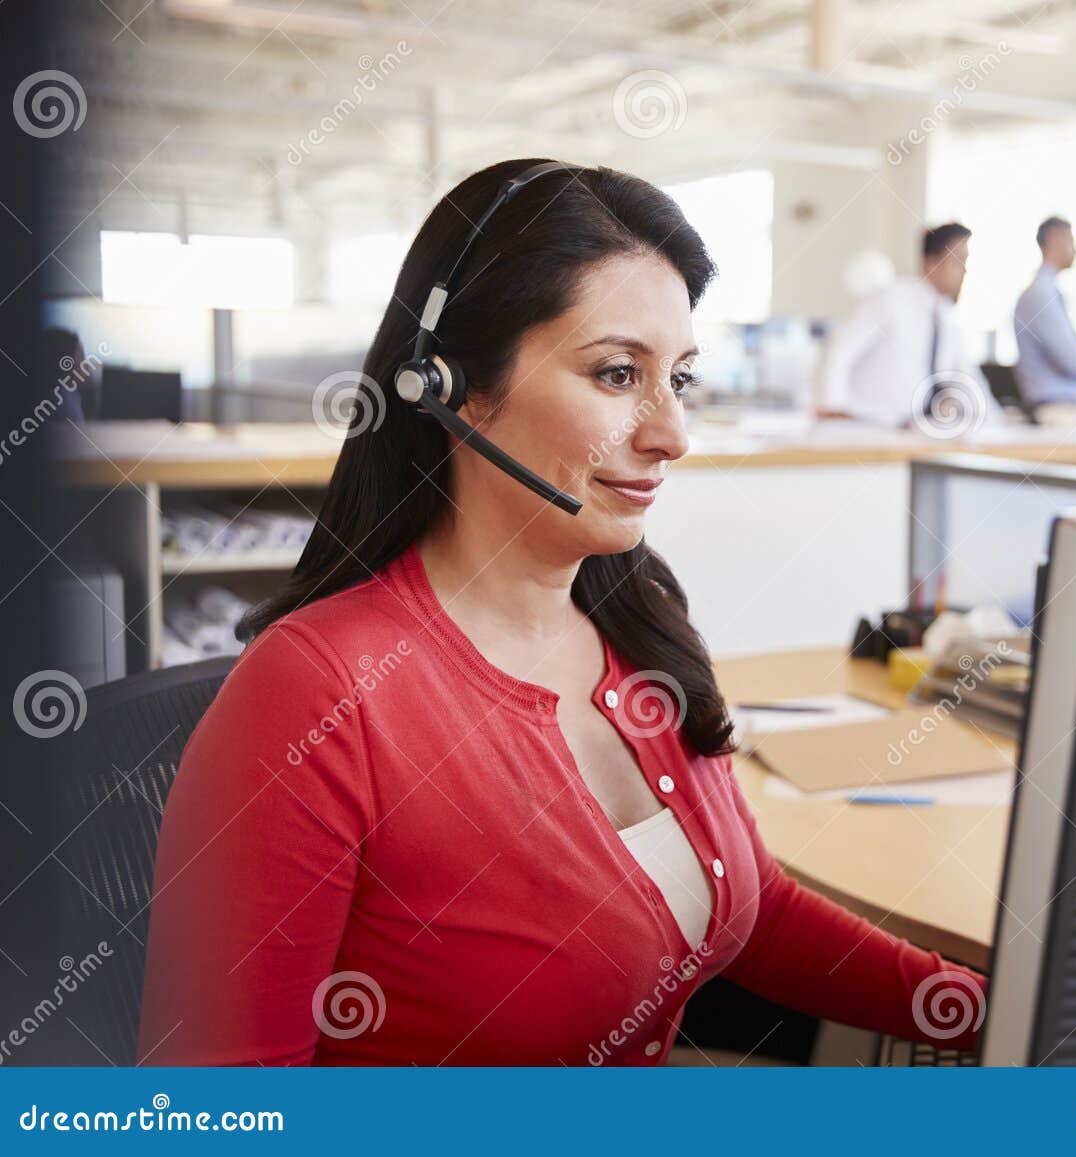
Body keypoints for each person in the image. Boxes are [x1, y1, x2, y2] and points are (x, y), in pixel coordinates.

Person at [137, 160, 984, 1066]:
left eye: (680, 379)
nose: (673, 435)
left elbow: (748, 904)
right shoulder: (317, 695)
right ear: (450, 387)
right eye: (619, 374)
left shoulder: (637, 614)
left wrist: (989, 1011)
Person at [816, 223, 979, 426]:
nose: (964, 271)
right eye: (958, 262)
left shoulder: (947, 319)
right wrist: (832, 407)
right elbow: (840, 349)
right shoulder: (892, 298)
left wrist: (996, 419)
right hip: (865, 424)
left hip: (913, 429)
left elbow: (968, 377)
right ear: (930, 263)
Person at [1012, 217, 1076, 407]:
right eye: (1071, 240)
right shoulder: (1041, 295)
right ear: (1054, 239)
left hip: (1060, 403)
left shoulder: (1048, 292)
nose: (1075, 249)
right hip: (1053, 405)